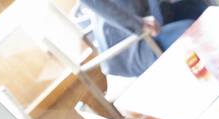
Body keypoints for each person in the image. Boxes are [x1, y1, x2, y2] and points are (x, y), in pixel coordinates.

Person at [77, 0, 206, 78]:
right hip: (130, 41)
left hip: (156, 15)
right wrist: (138, 24)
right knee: (191, 32)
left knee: (201, 7)